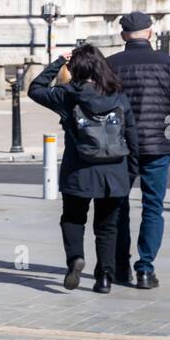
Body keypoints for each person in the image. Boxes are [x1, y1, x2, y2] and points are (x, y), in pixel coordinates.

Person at [28, 44, 140, 293]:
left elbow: (35, 89)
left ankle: (75, 259)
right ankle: (104, 279)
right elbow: (131, 135)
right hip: (114, 171)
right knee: (107, 227)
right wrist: (131, 172)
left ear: (75, 67)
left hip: (78, 171)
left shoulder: (67, 95)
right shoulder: (117, 95)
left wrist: (58, 61)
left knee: (73, 218)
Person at [107, 11, 170, 289]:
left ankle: (120, 267)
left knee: (118, 207)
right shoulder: (169, 63)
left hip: (119, 148)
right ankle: (145, 269)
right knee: (152, 207)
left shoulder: (110, 65)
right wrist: (168, 135)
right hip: (157, 147)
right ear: (151, 33)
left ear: (123, 36)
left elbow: (100, 106)